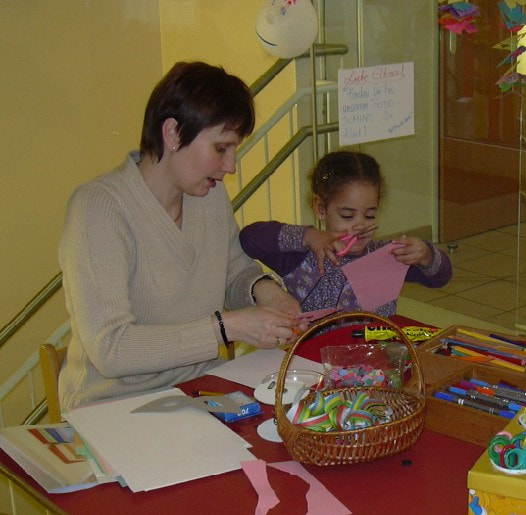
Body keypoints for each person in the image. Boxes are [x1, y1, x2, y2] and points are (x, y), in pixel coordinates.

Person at [58, 61, 304, 410]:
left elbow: (235, 270)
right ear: (173, 133)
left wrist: (263, 291)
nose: (230, 166)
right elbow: (110, 349)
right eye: (221, 148)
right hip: (114, 407)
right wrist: (224, 328)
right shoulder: (98, 208)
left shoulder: (208, 195)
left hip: (199, 390)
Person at [239, 150, 452, 316]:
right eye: (347, 216)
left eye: (369, 215)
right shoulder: (300, 257)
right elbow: (249, 238)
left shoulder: (386, 256)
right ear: (320, 208)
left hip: (376, 355)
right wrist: (308, 236)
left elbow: (440, 278)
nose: (359, 226)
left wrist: (426, 255)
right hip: (312, 356)